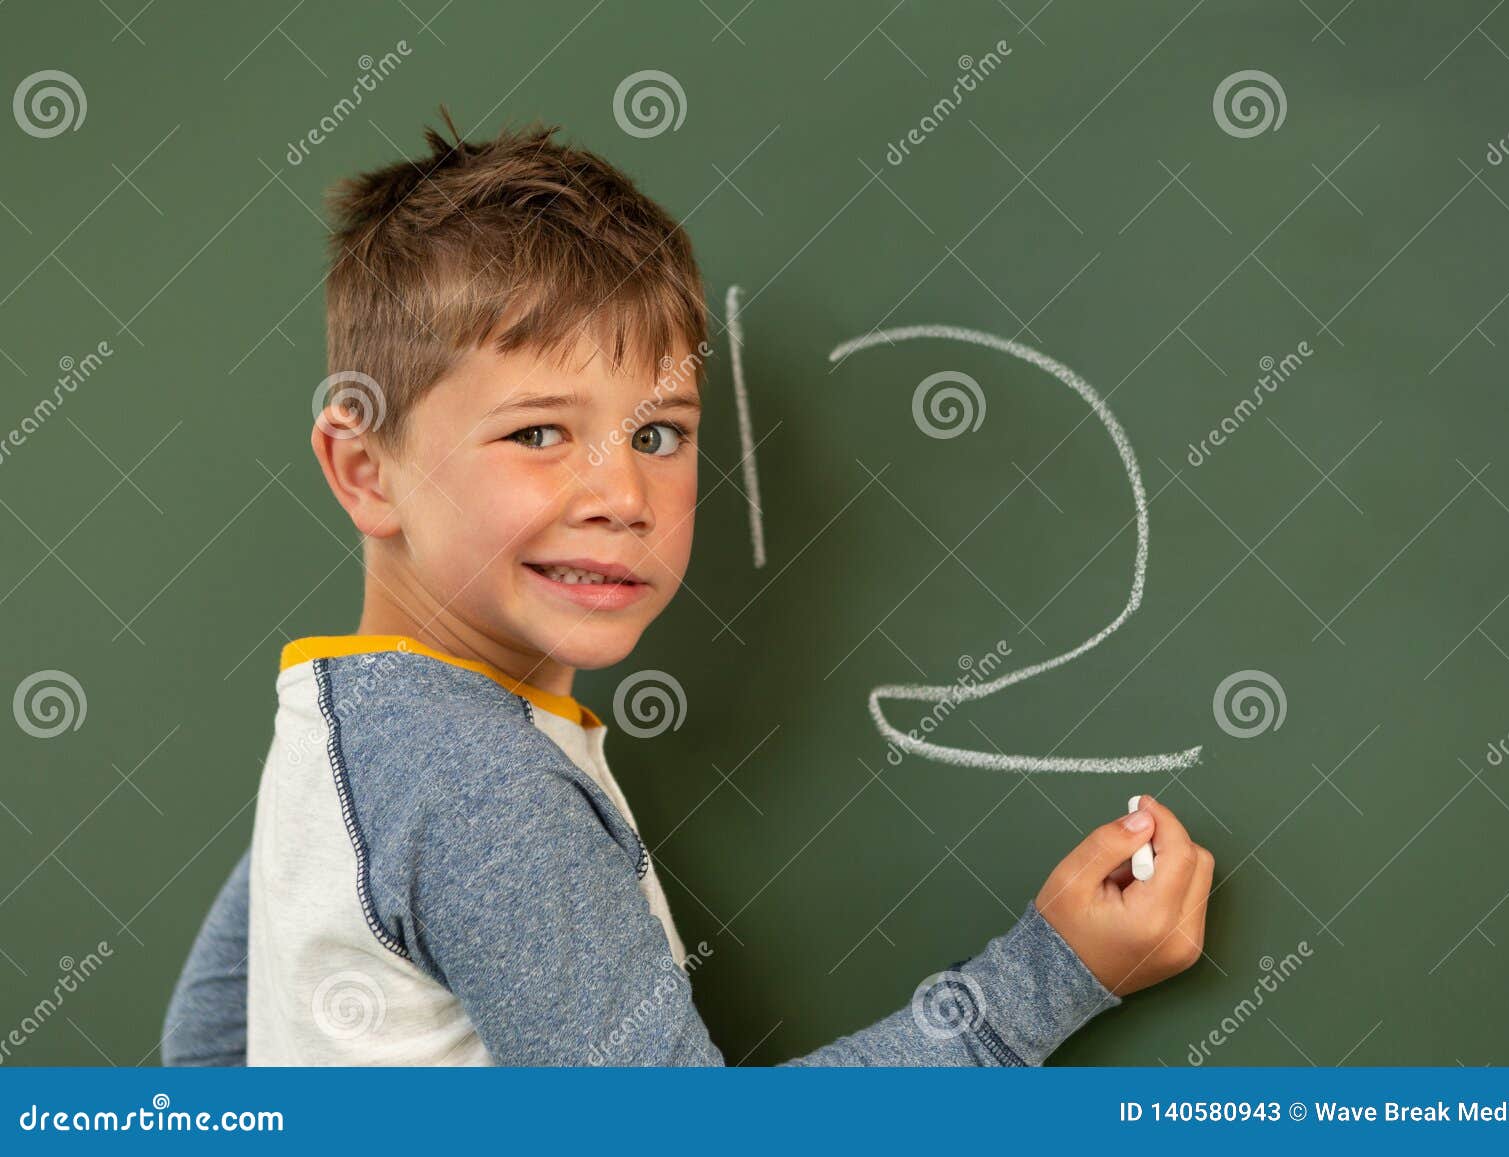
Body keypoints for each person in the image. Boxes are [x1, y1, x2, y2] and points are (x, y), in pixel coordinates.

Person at [161, 110, 1213, 1066]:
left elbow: (206, 1050)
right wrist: (1037, 985)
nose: (622, 492)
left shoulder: (340, 725)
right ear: (363, 470)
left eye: (658, 434)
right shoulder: (486, 787)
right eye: (538, 431)